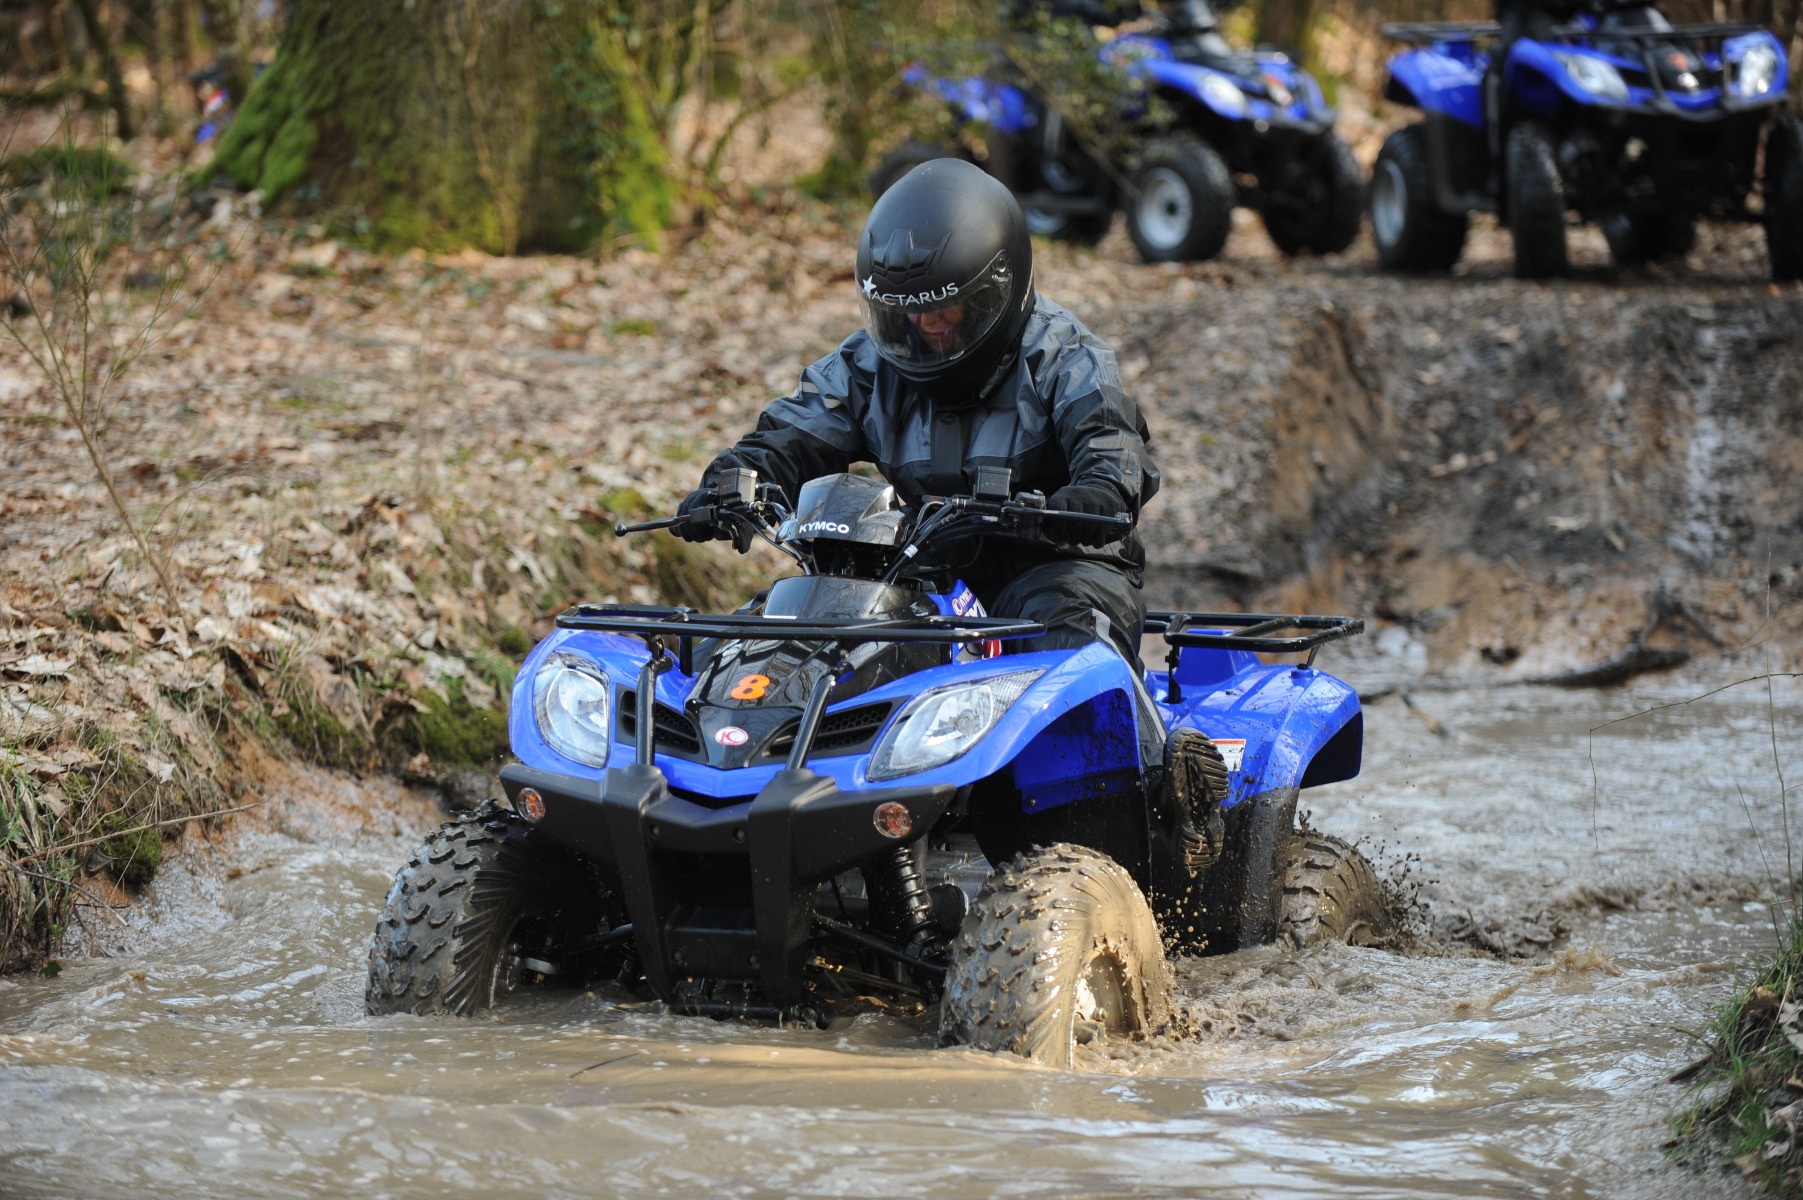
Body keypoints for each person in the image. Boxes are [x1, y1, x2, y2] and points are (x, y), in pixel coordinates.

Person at [674, 158, 1160, 670]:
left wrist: (1096, 496)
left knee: (1067, 661)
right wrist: (732, 481)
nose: (925, 324)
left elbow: (1110, 445)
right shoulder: (869, 363)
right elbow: (796, 431)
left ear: (996, 288)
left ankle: (1147, 749)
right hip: (920, 575)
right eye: (907, 311)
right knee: (758, 647)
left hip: (1059, 568)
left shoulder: (1065, 356)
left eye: (941, 307)